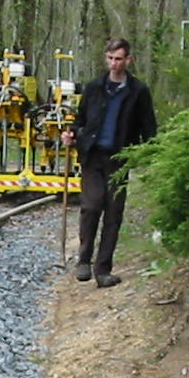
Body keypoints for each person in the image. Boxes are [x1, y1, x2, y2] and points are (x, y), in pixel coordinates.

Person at [62, 38, 156, 287]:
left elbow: (149, 128)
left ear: (128, 60)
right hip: (92, 156)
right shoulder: (94, 88)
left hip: (119, 158)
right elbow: (80, 120)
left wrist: (148, 155)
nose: (114, 64)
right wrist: (71, 134)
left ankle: (103, 269)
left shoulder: (138, 92)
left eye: (119, 59)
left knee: (113, 214)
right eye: (110, 58)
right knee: (91, 207)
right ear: (106, 58)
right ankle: (84, 260)